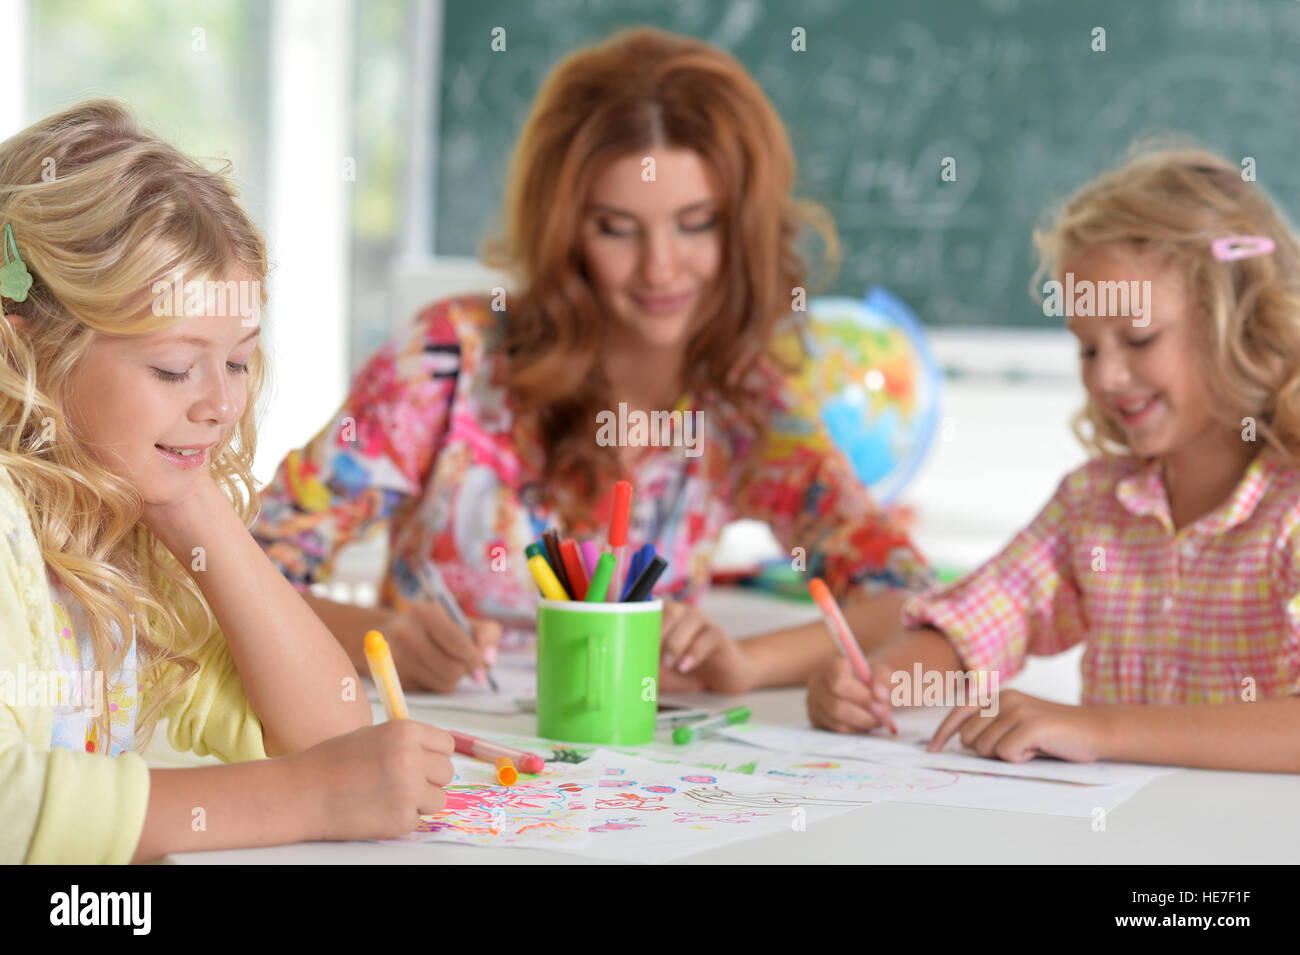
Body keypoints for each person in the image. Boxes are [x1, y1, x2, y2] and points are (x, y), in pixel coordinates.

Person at [254, 27, 934, 694]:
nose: (661, 268)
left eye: (696, 223)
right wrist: (378, 640)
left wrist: (751, 663)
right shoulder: (449, 359)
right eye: (616, 227)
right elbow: (243, 567)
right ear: (564, 229)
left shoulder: (743, 403)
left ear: (743, 227)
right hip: (447, 764)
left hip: (636, 779)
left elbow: (907, 596)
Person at [808, 146, 1300, 772]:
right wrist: (880, 682)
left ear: (1240, 320)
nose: (1109, 377)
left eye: (1139, 338)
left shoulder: (1289, 510)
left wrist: (1099, 728)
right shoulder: (1093, 503)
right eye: (1087, 349)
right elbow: (983, 621)